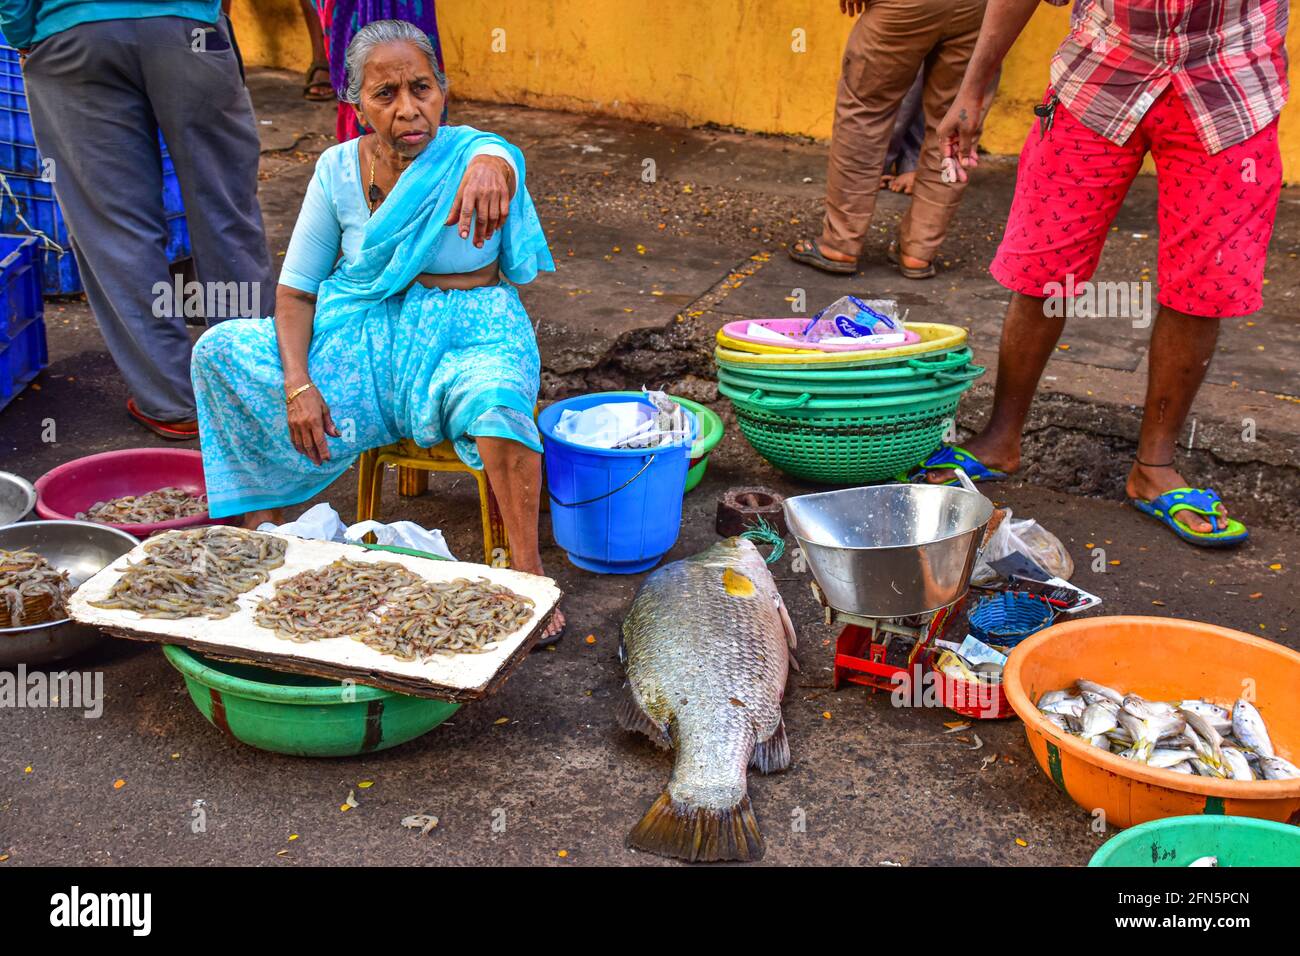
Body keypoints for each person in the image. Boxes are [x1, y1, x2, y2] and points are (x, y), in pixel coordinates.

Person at [190, 19, 564, 635]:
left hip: (468, 332)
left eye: (421, 89)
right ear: (356, 104)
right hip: (364, 333)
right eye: (385, 94)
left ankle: (528, 575)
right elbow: (295, 292)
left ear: (443, 91)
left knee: (498, 403)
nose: (408, 109)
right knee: (219, 351)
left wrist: (498, 160)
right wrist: (297, 385)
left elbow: (499, 151)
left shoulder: (475, 156)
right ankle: (264, 537)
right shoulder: (336, 169)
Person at [921, 0, 1288, 548]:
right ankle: (1000, 438)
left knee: (1203, 285)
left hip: (1232, 88)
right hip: (1098, 79)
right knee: (1044, 267)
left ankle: (1153, 468)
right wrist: (972, 88)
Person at [3, 1, 273, 440]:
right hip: (187, 28)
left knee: (115, 229)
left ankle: (174, 402)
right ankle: (247, 384)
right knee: (226, 212)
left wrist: (23, 34)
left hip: (71, 35)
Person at [790, 0, 988, 280]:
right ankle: (919, 252)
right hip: (978, 8)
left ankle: (840, 243)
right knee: (954, 124)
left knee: (864, 112)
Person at [310, 0, 445, 142]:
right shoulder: (334, 162)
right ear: (358, 109)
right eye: (385, 94)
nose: (408, 112)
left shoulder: (466, 151)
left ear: (443, 95)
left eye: (422, 88)